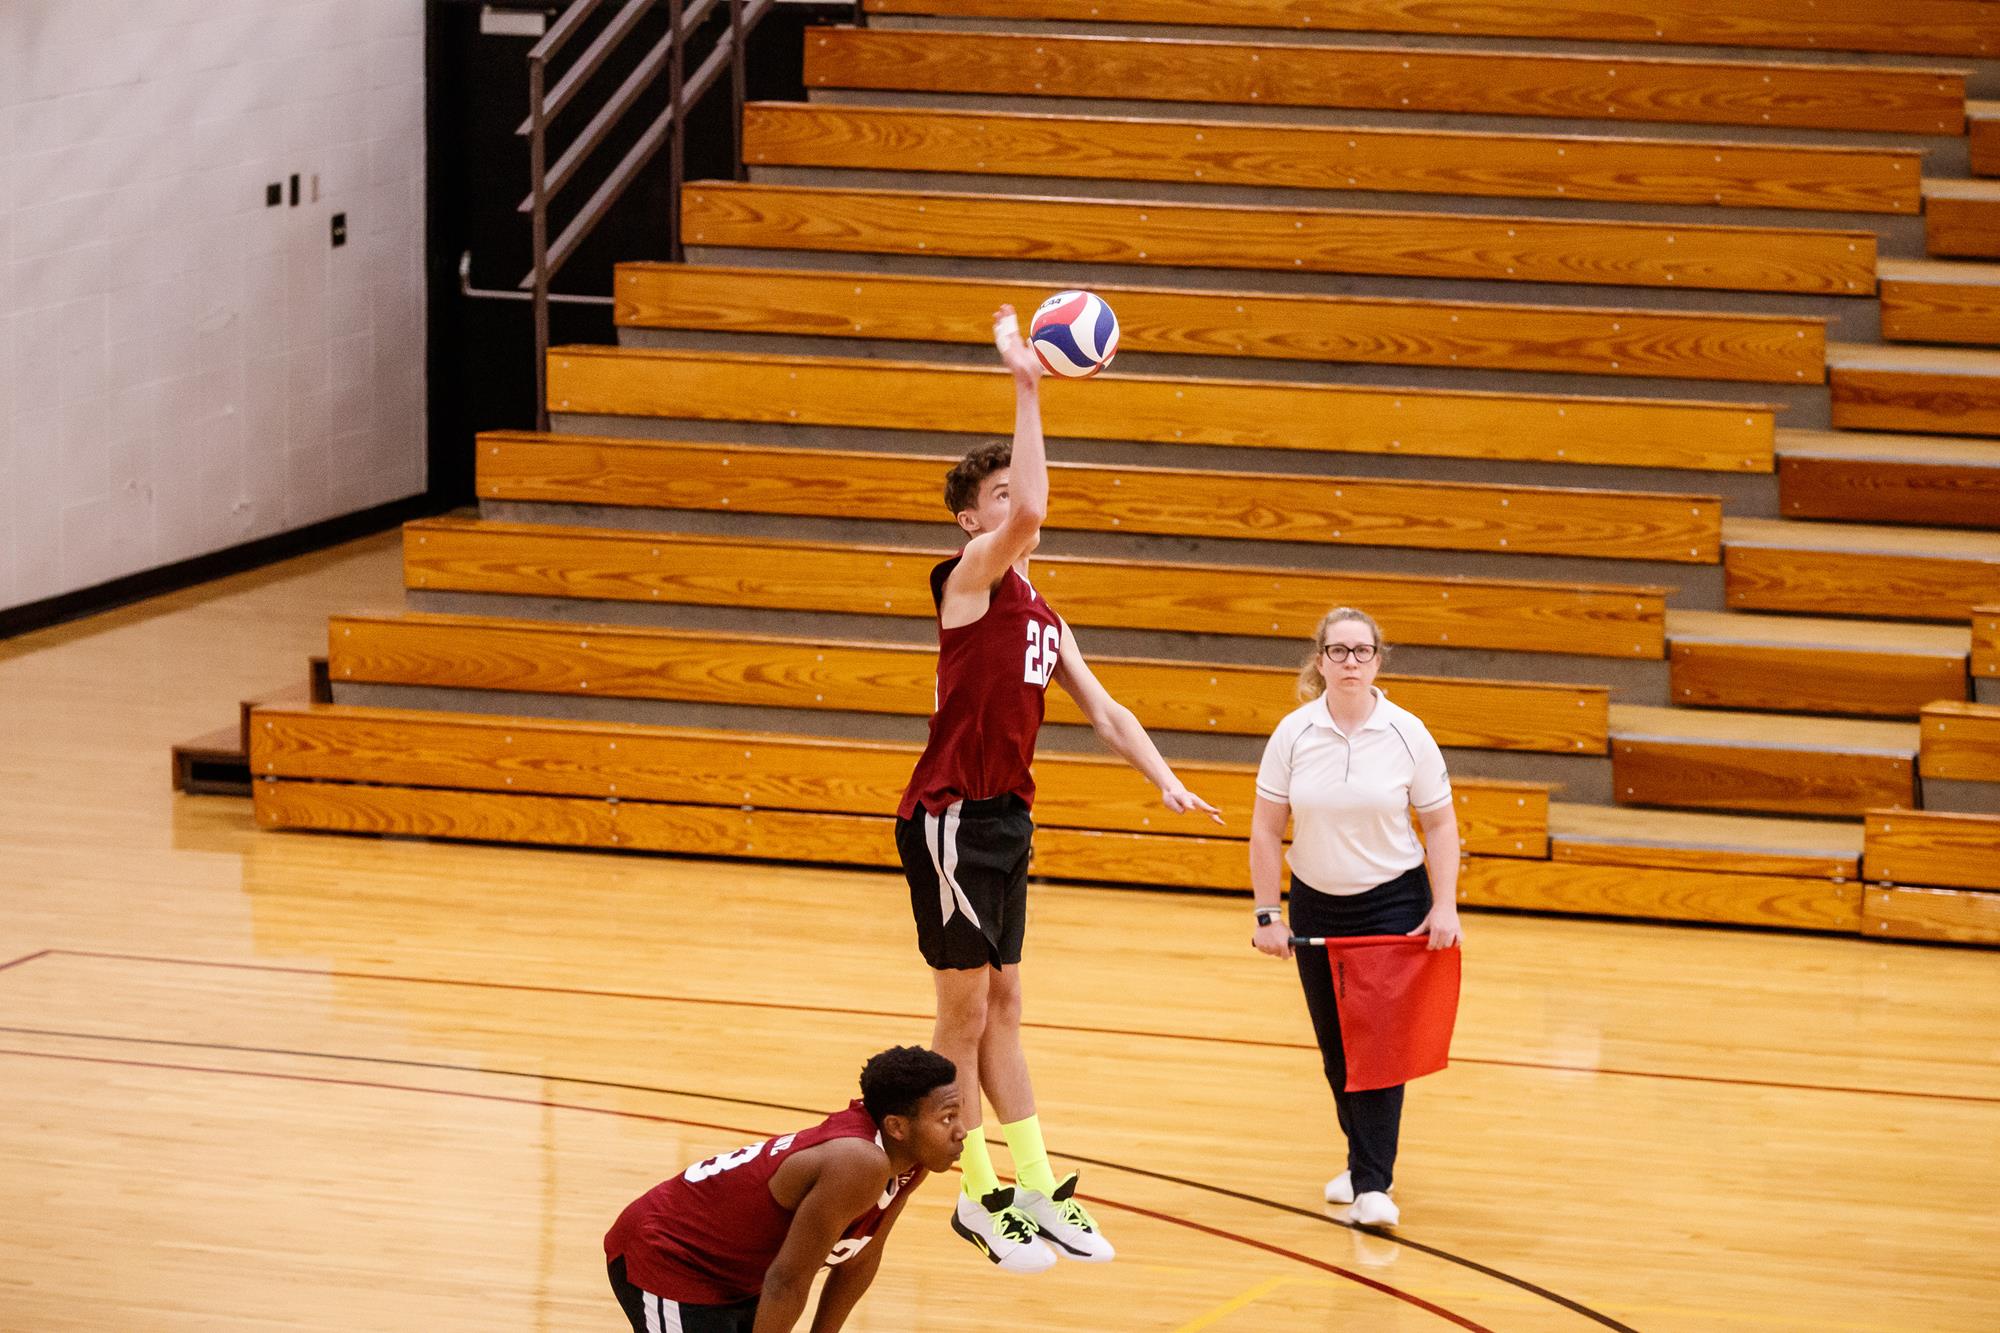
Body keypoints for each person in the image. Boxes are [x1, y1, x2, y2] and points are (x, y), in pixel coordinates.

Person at [893, 305, 1223, 1272]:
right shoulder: (967, 578)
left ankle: (1034, 1181)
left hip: (1007, 820)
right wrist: (1027, 382)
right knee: (960, 1015)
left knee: (1005, 1005)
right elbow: (1034, 513)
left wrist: (1162, 778)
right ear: (970, 517)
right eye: (996, 493)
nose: (1015, 503)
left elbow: (1106, 709)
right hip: (950, 816)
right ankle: (976, 1191)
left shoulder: (1042, 609)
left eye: (1013, 488)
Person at [1247, 608, 1463, 1229]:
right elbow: (1266, 829)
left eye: (1360, 652)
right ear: (1320, 661)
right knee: (1338, 1052)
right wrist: (1269, 913)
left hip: (1393, 902)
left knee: (1381, 1048)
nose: (1349, 663)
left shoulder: (1407, 732)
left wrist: (1443, 904)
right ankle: (1359, 1157)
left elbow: (1441, 824)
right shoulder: (1293, 733)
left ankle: (1374, 1185)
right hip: (1316, 901)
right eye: (1337, 652)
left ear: (1377, 660)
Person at [604, 1045, 963, 1333]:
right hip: (672, 1257)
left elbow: (861, 1259)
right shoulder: (857, 1162)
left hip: (739, 1277)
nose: (961, 1130)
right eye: (947, 1118)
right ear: (897, 1126)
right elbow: (787, 1281)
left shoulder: (910, 1159)